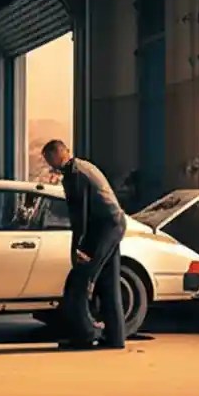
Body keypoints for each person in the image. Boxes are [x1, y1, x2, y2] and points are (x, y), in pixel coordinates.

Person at [41, 140, 127, 350]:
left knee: (78, 282)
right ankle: (115, 339)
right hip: (113, 224)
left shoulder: (74, 175)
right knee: (108, 284)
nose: (48, 165)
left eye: (48, 159)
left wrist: (78, 250)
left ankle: (84, 335)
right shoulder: (80, 167)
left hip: (104, 228)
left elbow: (80, 216)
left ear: (56, 156)